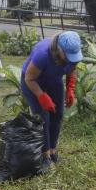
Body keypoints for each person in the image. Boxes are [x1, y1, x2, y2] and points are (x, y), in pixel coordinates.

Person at [21, 31, 82, 173]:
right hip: (33, 83)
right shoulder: (43, 54)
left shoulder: (72, 52)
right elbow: (29, 79)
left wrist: (70, 88)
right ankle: (45, 155)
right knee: (43, 117)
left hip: (54, 81)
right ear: (59, 50)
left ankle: (53, 152)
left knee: (58, 114)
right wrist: (42, 96)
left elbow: (72, 69)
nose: (71, 59)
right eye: (68, 56)